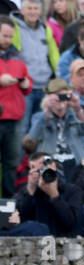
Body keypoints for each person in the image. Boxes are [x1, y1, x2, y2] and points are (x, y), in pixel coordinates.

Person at [11, 0, 59, 133]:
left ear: (40, 11)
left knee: (41, 128)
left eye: (36, 8)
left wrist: (59, 78)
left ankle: (38, 155)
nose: (32, 12)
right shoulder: (15, 29)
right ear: (22, 10)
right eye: (29, 8)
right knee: (22, 127)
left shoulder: (46, 29)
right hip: (24, 88)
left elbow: (54, 56)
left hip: (44, 87)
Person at [0, 16, 33, 196]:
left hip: (14, 118)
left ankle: (8, 207)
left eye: (10, 36)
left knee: (12, 164)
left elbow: (27, 83)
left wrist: (26, 85)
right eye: (4, 35)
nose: (8, 40)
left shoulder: (18, 58)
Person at [17, 152, 84, 236]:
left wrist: (54, 196)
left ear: (53, 166)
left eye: (42, 166)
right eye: (33, 168)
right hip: (38, 242)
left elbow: (72, 223)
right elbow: (23, 222)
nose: (39, 171)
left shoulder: (72, 190)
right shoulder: (27, 192)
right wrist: (30, 191)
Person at [26, 78, 84, 165]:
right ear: (48, 97)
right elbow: (33, 136)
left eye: (63, 96)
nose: (60, 99)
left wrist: (78, 108)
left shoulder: (75, 115)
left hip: (74, 162)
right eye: (57, 96)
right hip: (50, 163)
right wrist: (47, 110)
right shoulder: (40, 117)